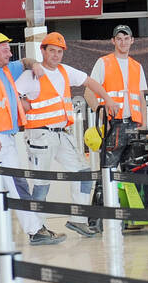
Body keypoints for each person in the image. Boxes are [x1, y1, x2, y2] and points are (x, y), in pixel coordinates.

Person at [0, 31, 65, 248]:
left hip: (1, 138)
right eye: (4, 50)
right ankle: (33, 230)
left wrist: (35, 65)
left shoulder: (7, 70)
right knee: (8, 184)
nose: (9, 54)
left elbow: (25, 61)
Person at [15, 32, 114, 238]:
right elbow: (11, 95)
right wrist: (22, 104)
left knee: (84, 173)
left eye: (60, 52)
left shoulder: (64, 71)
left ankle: (78, 220)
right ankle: (38, 230)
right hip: (40, 136)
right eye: (52, 50)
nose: (56, 55)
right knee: (41, 182)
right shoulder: (31, 75)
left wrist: (107, 99)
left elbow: (89, 81)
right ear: (43, 51)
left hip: (62, 134)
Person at [89, 24, 147, 125]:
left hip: (134, 123)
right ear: (113, 41)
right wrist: (104, 120)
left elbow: (141, 99)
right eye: (119, 39)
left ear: (132, 40)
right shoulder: (103, 62)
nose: (123, 42)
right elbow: (88, 93)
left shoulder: (137, 66)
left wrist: (145, 125)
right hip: (112, 123)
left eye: (126, 38)